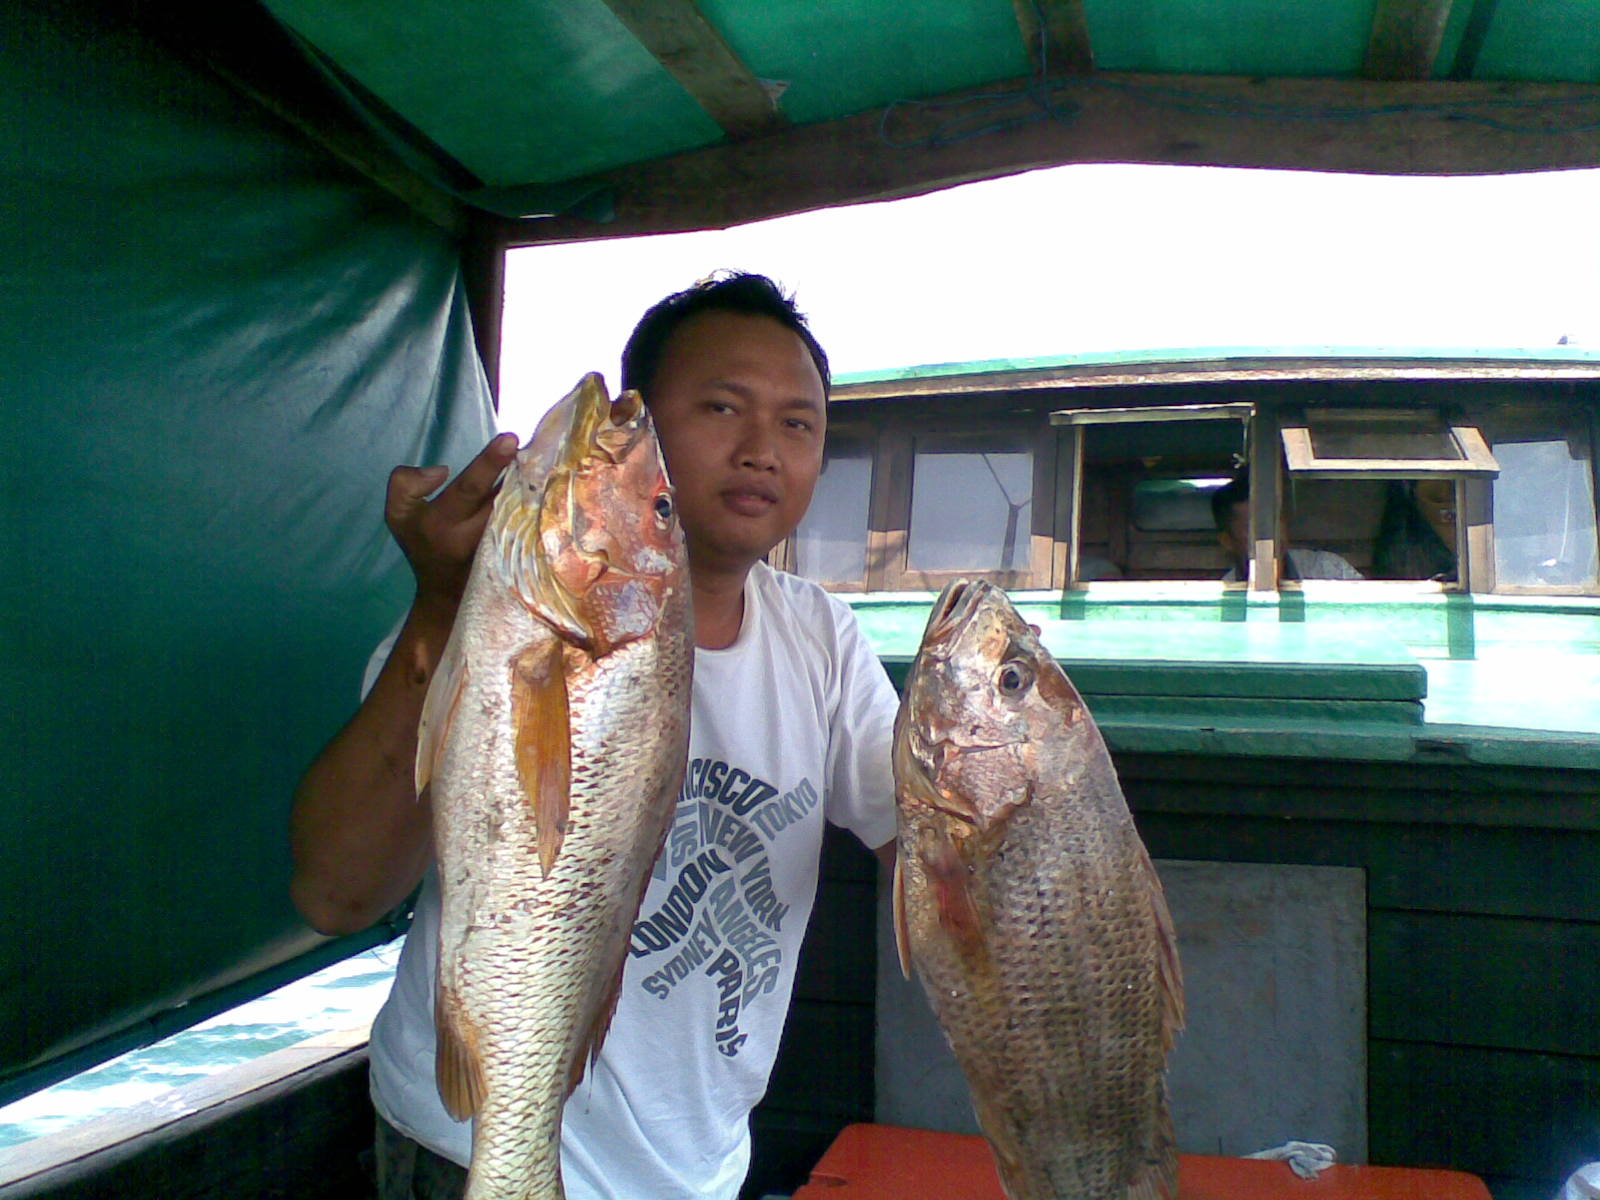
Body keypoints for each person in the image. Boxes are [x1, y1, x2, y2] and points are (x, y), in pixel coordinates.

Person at [289, 273, 901, 1200]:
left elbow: (928, 848)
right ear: (650, 434)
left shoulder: (822, 638)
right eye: (722, 407)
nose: (761, 452)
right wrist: (437, 611)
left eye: (798, 424)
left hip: (698, 1171)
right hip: (461, 1152)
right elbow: (336, 892)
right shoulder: (493, 628)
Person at [1210, 474, 1363, 582]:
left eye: (1277, 520)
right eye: (1255, 527)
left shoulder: (1327, 569)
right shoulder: (1227, 596)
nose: (1272, 533)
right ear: (1227, 541)